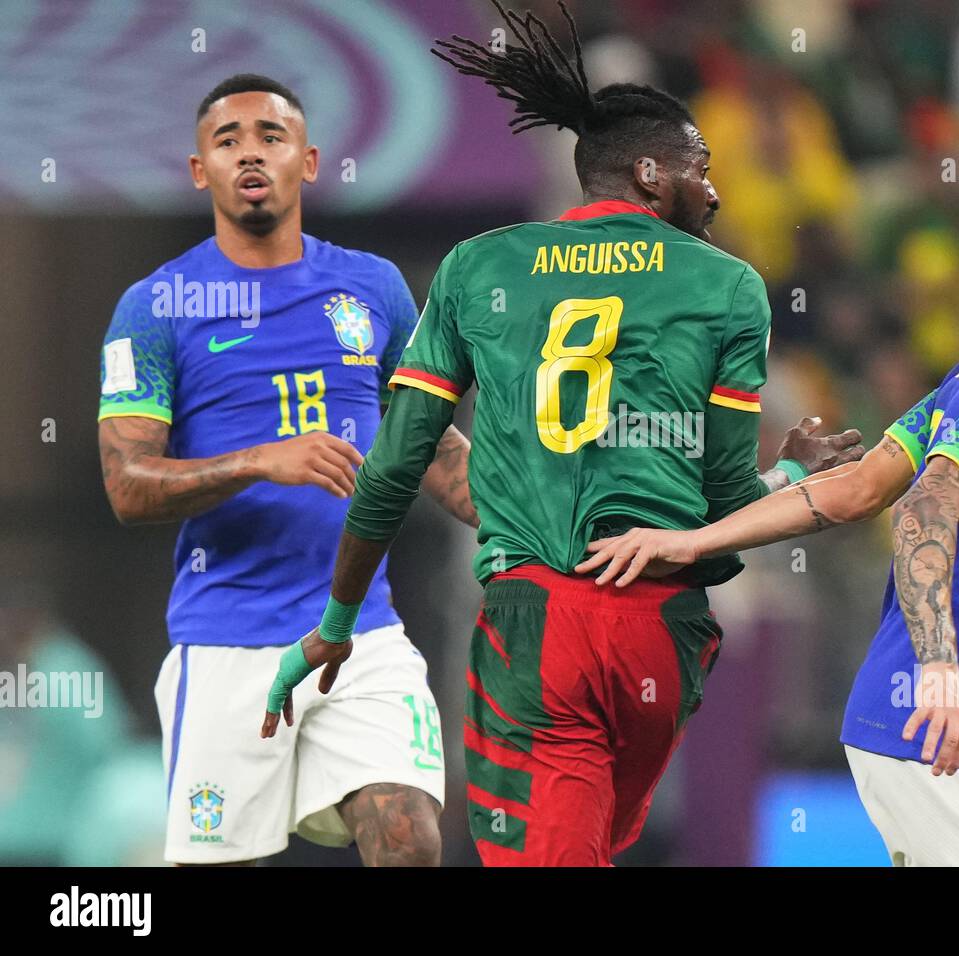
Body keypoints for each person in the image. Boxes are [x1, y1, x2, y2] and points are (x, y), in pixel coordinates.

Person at [261, 2, 864, 866]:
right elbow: (728, 509)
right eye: (703, 169)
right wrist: (790, 478)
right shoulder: (730, 287)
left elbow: (395, 464)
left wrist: (338, 616)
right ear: (652, 176)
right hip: (664, 635)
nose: (717, 189)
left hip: (534, 625)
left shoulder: (479, 266)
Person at [580, 179, 959, 866]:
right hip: (946, 733)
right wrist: (938, 671)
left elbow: (860, 488)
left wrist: (693, 542)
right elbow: (925, 503)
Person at [98, 73, 475, 866]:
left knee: (408, 836)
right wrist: (261, 460)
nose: (249, 153)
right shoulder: (155, 306)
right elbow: (128, 487)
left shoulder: (373, 290)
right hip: (227, 641)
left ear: (308, 161)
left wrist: (547, 522)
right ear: (200, 171)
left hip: (358, 632)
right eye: (226, 140)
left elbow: (433, 451)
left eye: (269, 136)